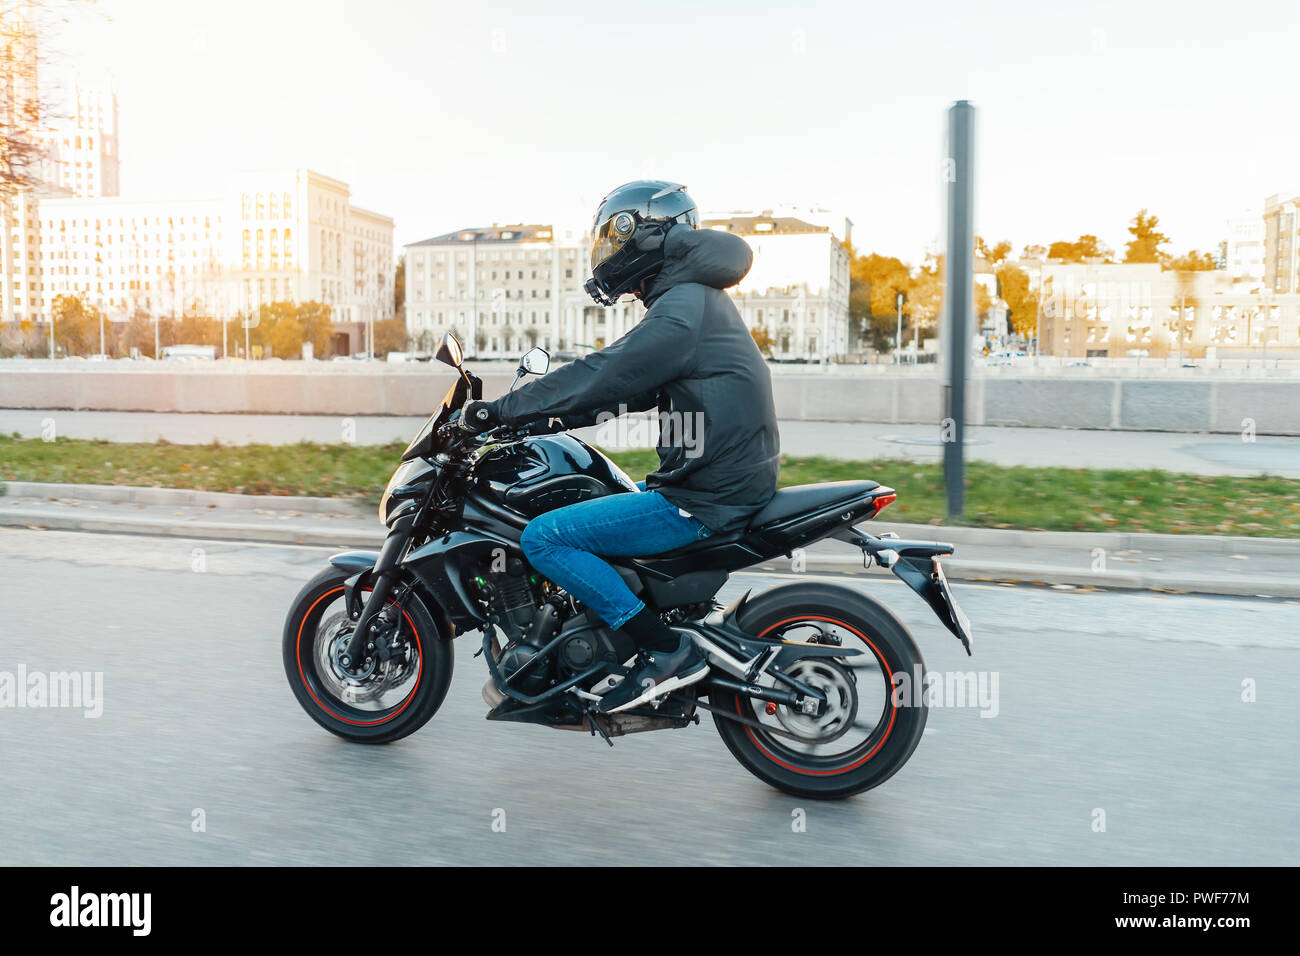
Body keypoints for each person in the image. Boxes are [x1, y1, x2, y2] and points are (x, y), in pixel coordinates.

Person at [459, 181, 779, 714]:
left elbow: (605, 371)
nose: (608, 255)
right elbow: (632, 389)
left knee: (545, 538)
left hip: (704, 498)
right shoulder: (695, 299)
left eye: (613, 239)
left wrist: (500, 411)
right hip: (723, 482)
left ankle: (666, 650)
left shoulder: (682, 307)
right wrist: (552, 417)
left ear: (645, 236)